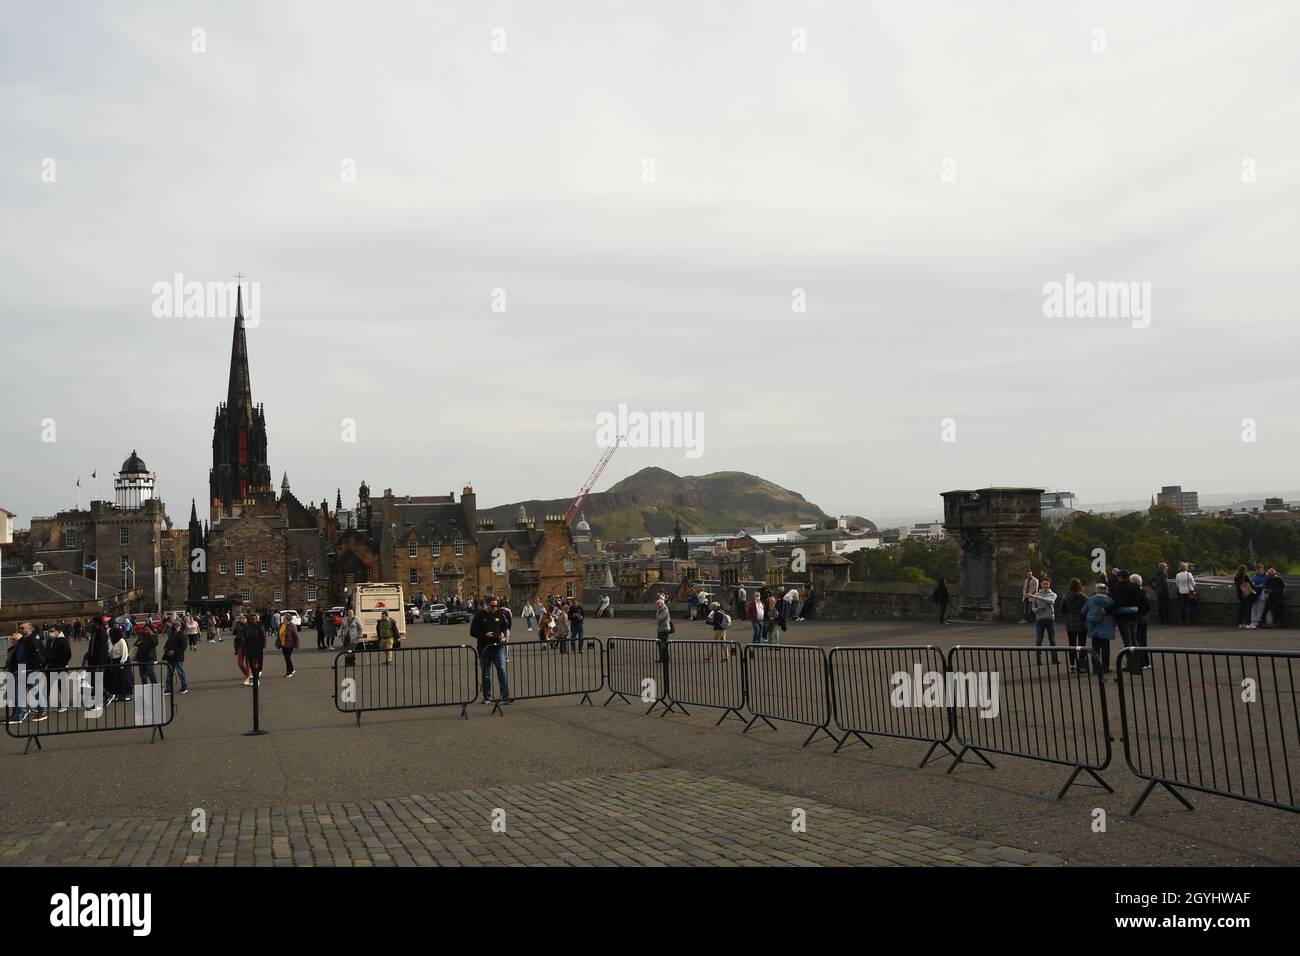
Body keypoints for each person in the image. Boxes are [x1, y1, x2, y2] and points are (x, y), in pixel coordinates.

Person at [470, 596, 511, 704]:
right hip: (484, 649)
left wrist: (503, 633)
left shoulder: (499, 614)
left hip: (498, 647)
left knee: (502, 672)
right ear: (486, 605)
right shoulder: (478, 616)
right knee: (486, 674)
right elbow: (472, 632)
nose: (495, 608)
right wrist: (484, 634)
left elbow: (505, 626)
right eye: (492, 606)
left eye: (496, 606)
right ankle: (487, 697)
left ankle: (505, 696)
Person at [5, 624, 48, 723]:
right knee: (18, 691)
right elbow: (16, 655)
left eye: (22, 628)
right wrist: (12, 668)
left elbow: (39, 656)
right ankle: (20, 713)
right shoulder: (21, 640)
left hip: (31, 669)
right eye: (20, 627)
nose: (20, 629)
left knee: (35, 690)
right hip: (20, 669)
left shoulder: (33, 640)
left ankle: (42, 711)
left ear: (29, 629)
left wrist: (34, 668)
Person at [1080, 583, 1116, 674]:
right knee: (1105, 649)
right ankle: (1105, 667)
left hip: (1094, 627)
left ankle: (1096, 668)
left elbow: (1083, 611)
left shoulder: (1090, 600)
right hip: (1107, 628)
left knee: (1095, 649)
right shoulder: (1111, 601)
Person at [1061, 578, 1089, 671]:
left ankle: (1072, 665)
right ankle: (1081, 666)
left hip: (1071, 623)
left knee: (1072, 645)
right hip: (1082, 624)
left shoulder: (1066, 597)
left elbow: (1062, 610)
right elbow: (1087, 610)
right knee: (1082, 645)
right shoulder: (1084, 597)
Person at [1030, 578, 1059, 665]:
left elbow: (1050, 601)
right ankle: (1038, 660)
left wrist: (1035, 597)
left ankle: (1054, 659)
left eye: (1047, 584)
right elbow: (1033, 606)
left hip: (1050, 619)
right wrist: (1036, 610)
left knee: (1052, 640)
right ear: (1041, 585)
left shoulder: (1053, 594)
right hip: (1040, 620)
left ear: (1049, 584)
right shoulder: (1037, 594)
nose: (1046, 585)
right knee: (1039, 640)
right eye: (1044, 584)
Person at [162, 621, 189, 695]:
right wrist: (165, 647)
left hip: (178, 657)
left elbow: (184, 646)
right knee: (169, 673)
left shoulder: (182, 635)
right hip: (170, 657)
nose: (177, 627)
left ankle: (184, 687)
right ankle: (168, 689)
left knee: (180, 672)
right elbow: (168, 643)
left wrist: (174, 651)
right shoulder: (172, 634)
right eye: (175, 626)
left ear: (180, 627)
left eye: (178, 626)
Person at [1235, 564, 1256, 629]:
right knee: (1248, 610)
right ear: (1245, 570)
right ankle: (1247, 624)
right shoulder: (1245, 576)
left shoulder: (1236, 576)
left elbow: (1238, 586)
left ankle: (1240, 624)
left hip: (1240, 595)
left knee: (1241, 610)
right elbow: (1251, 585)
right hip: (1247, 595)